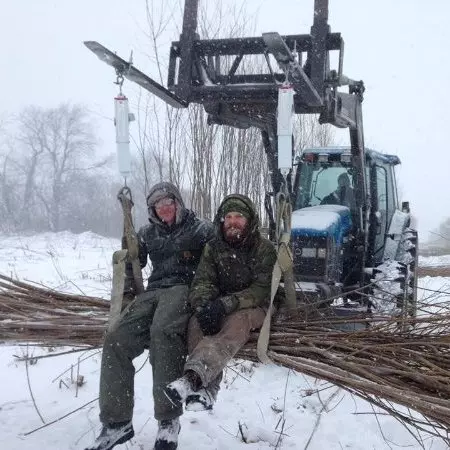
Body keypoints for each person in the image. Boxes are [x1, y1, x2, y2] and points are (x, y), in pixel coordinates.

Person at [85, 181, 215, 450]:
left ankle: (168, 420)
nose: (165, 209)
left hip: (184, 289)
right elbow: (135, 263)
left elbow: (219, 259)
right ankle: (117, 421)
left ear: (178, 203)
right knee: (116, 337)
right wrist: (128, 244)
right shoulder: (147, 233)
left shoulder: (200, 229)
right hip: (154, 291)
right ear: (153, 210)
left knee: (163, 333)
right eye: (159, 206)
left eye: (169, 203)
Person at [165, 193, 277, 413]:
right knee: (197, 323)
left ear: (250, 221)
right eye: (229, 217)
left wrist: (226, 304)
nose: (233, 222)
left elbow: (261, 289)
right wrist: (204, 306)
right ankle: (206, 390)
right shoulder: (213, 247)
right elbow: (202, 281)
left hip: (256, 305)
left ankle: (192, 379)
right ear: (222, 220)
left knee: (237, 322)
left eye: (239, 217)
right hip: (222, 303)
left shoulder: (264, 249)